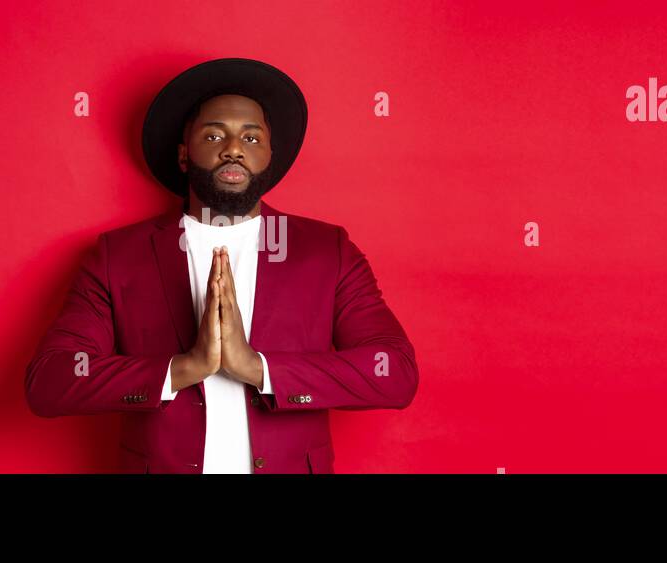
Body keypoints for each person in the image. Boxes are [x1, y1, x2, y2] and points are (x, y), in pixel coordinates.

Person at [25, 58, 417, 473]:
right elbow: (51, 382)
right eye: (214, 134)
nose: (233, 148)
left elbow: (394, 373)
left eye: (251, 138)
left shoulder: (327, 250)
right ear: (183, 154)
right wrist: (183, 368)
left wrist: (257, 367)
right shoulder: (118, 255)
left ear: (270, 155)